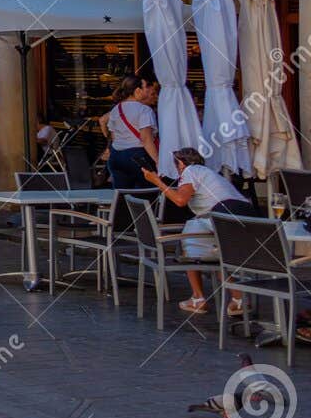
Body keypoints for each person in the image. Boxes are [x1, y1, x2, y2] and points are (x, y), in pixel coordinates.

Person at [142, 147, 252, 316]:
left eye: (175, 164)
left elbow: (180, 200)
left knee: (191, 244)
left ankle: (198, 298)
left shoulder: (190, 171)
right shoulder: (208, 173)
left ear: (180, 163)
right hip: (244, 215)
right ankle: (238, 298)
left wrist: (157, 181)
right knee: (210, 251)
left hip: (222, 215)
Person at [100, 75, 159, 188]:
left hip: (116, 156)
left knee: (122, 196)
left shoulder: (116, 109)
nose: (149, 90)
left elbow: (113, 136)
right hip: (138, 156)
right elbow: (146, 139)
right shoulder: (144, 110)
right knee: (147, 193)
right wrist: (157, 160)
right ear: (137, 91)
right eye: (146, 87)